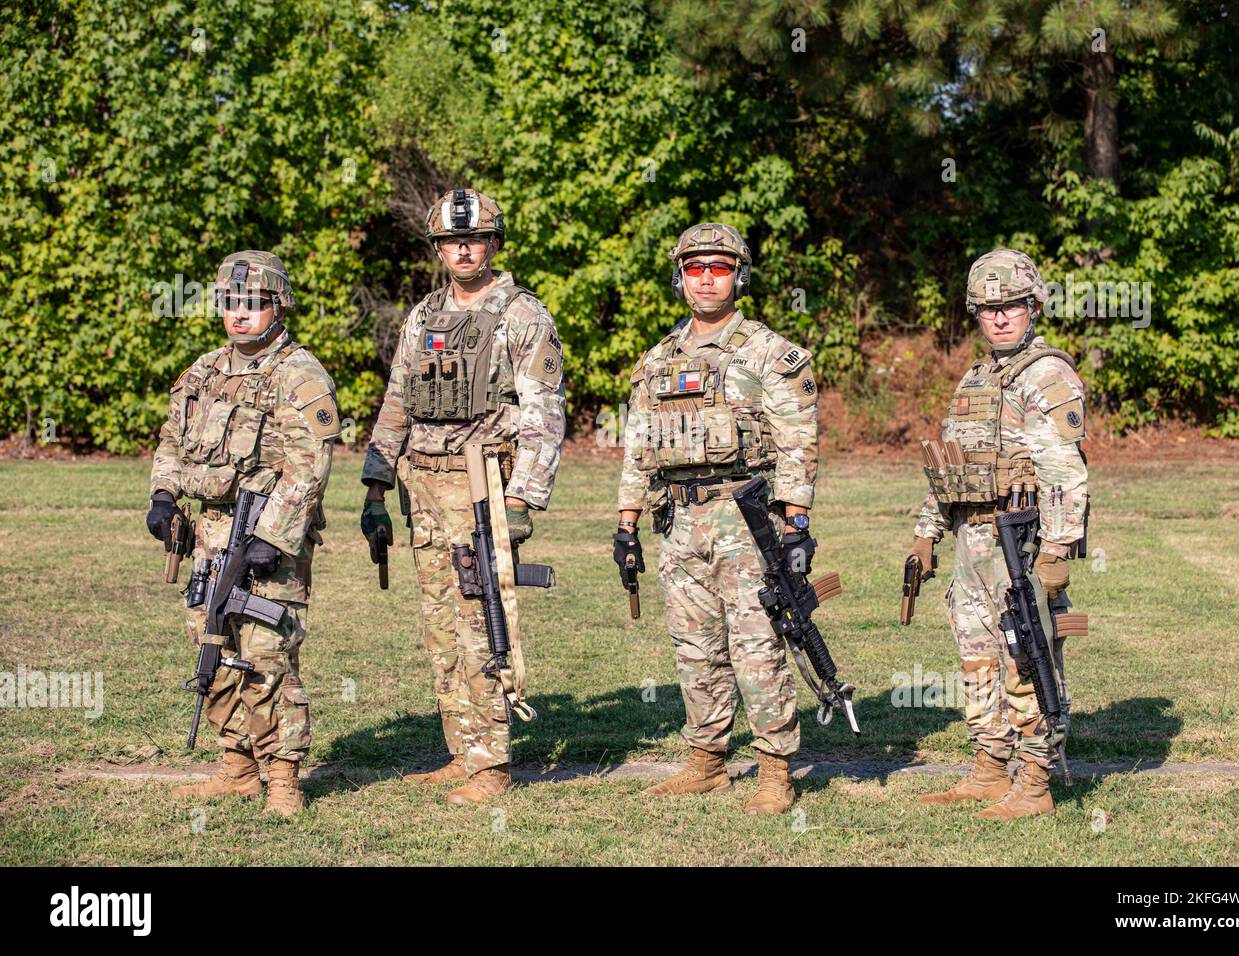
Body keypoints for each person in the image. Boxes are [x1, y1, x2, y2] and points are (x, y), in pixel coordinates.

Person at [361, 188, 565, 805]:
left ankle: (493, 763)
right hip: (421, 488)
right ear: (439, 249)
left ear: (493, 244)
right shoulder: (422, 318)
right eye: (451, 242)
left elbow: (544, 415)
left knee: (483, 621)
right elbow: (397, 400)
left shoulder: (523, 316)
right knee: (441, 626)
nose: (462, 250)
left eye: (473, 239)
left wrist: (525, 499)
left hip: (481, 486)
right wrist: (376, 483)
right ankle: (462, 748)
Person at [614, 222, 821, 816]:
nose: (708, 278)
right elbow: (638, 449)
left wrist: (796, 524)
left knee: (757, 645)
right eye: (696, 267)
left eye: (721, 267)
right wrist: (626, 523)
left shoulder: (768, 353)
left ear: (740, 276)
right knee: (695, 647)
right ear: (680, 278)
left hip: (746, 517)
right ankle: (706, 761)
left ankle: (775, 770)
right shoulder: (657, 360)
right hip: (679, 521)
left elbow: (798, 446)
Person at [149, 251, 340, 817]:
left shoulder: (299, 374)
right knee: (211, 642)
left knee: (266, 655)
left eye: (252, 304)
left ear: (277, 306)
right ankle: (236, 768)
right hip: (209, 536)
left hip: (267, 538)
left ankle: (283, 777)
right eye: (230, 304)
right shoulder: (204, 371)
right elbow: (170, 438)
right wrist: (163, 494)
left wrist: (274, 537)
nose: (239, 315)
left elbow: (310, 468)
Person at [910, 248, 1088, 819]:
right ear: (976, 314)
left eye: (1012, 305)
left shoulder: (1049, 374)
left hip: (1022, 540)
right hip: (970, 539)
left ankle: (1034, 782)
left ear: (1033, 306)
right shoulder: (977, 377)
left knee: (1025, 655)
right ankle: (990, 765)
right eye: (990, 308)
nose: (1002, 317)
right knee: (976, 657)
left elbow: (1065, 468)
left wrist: (1059, 547)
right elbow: (951, 462)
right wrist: (927, 531)